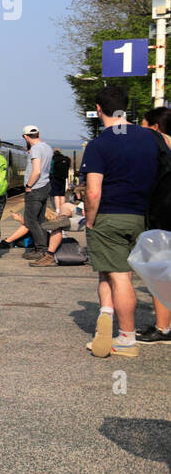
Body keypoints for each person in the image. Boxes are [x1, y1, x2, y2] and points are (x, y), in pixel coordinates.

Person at [80, 85, 162, 357]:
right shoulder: (152, 138)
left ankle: (127, 338)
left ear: (98, 109)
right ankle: (105, 315)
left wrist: (89, 220)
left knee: (119, 275)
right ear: (126, 107)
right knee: (110, 270)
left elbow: (93, 192)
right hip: (141, 216)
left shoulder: (99, 144)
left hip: (109, 215)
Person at [137, 107, 171, 344]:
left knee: (159, 271)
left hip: (162, 214)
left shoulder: (157, 146)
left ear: (155, 128)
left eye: (144, 125)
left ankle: (162, 327)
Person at [20, 125, 55, 264]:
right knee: (40, 220)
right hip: (45, 186)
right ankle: (43, 248)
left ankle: (41, 249)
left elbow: (37, 171)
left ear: (25, 137)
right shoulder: (47, 147)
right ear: (38, 134)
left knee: (30, 220)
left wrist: (29, 185)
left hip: (36, 188)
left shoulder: (35, 149)